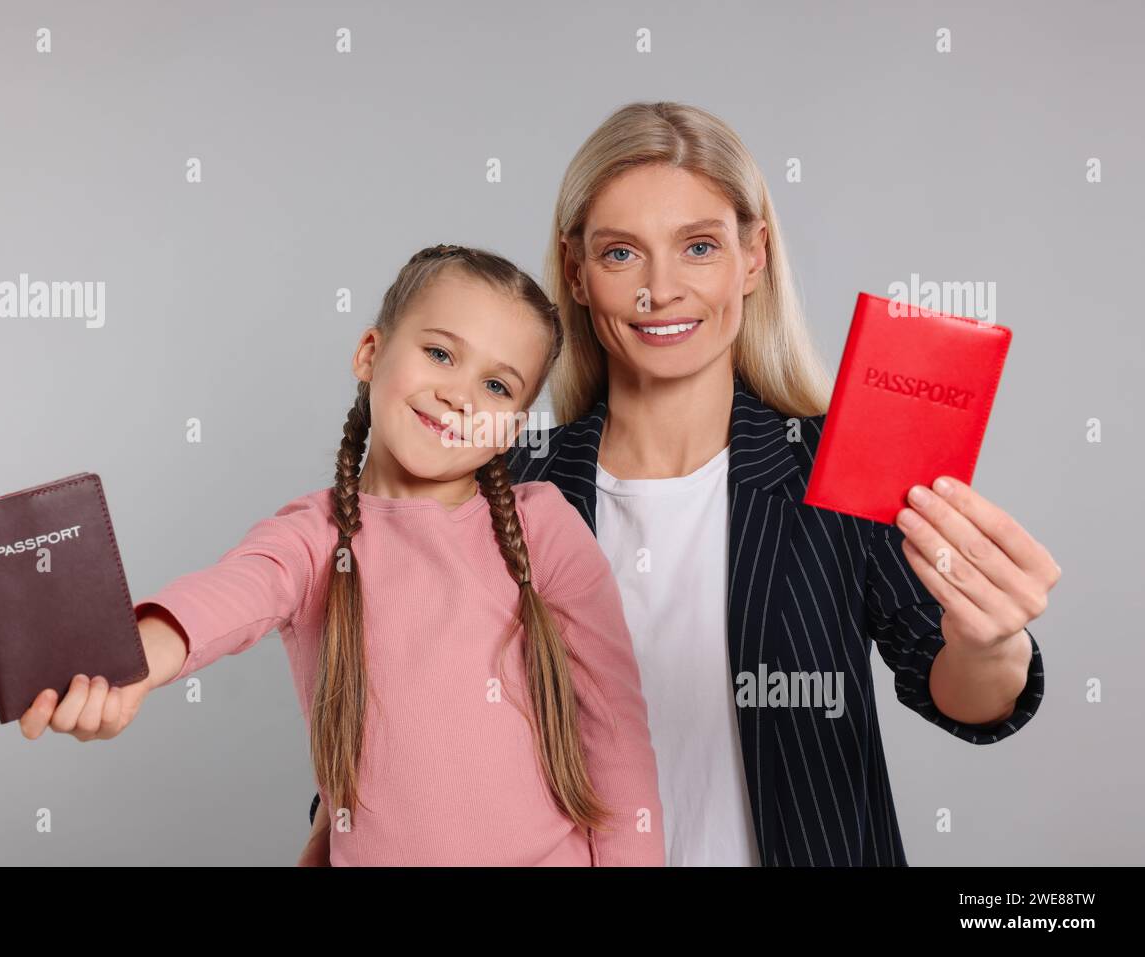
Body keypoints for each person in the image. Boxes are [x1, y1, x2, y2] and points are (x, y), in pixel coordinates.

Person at [304, 102, 1059, 867]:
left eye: (698, 246)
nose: (658, 289)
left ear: (753, 255)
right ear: (576, 271)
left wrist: (990, 640)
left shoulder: (836, 464)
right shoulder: (508, 488)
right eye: (621, 254)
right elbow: (396, 722)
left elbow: (964, 694)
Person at [18, 244, 666, 866]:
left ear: (515, 429)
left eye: (497, 386)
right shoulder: (316, 536)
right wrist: (126, 664)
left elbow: (617, 741)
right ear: (369, 352)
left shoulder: (543, 527)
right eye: (440, 353)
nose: (460, 395)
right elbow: (228, 596)